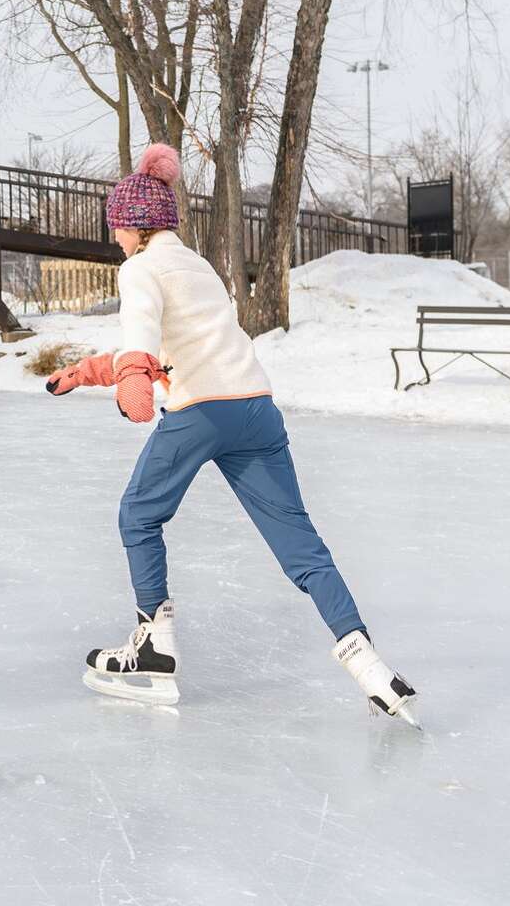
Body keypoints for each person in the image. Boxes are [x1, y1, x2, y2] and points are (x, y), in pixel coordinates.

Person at [45, 143, 420, 728]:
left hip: (202, 411)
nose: (114, 235)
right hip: (257, 408)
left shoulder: (140, 267)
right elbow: (188, 341)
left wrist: (132, 376)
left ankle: (154, 644)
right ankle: (367, 662)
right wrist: (90, 371)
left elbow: (144, 335)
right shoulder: (196, 266)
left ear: (134, 226)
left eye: (116, 226)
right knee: (301, 544)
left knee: (137, 516)